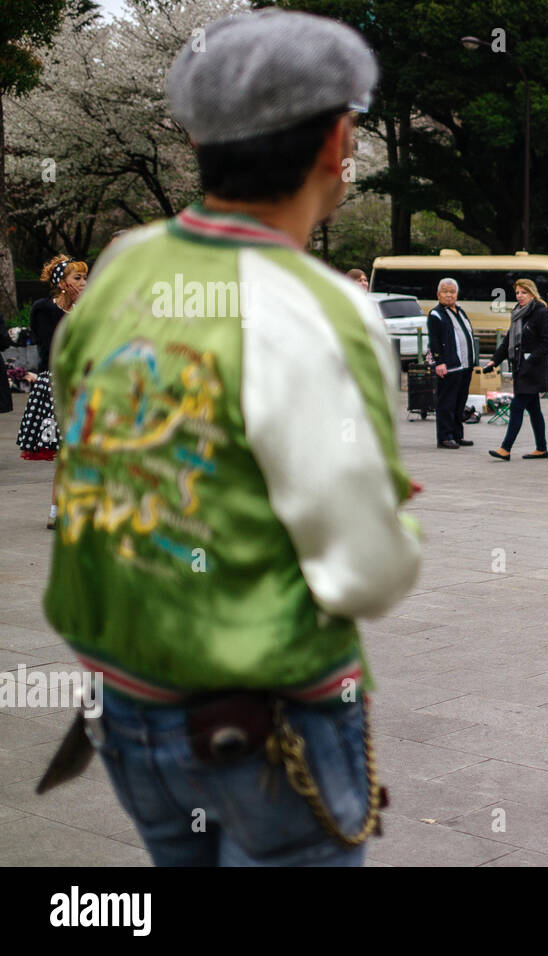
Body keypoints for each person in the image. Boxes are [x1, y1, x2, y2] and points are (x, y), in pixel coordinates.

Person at [42, 8, 421, 866]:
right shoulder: (323, 309)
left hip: (123, 708)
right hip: (264, 723)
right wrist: (390, 514)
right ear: (337, 141)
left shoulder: (122, 266)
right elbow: (365, 572)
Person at [18, 254, 87, 528]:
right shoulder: (43, 309)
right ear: (62, 283)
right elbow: (54, 348)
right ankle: (58, 510)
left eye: (85, 277)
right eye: (77, 277)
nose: (84, 282)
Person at [485, 278, 548, 460]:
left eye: (524, 292)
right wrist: (494, 361)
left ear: (532, 293)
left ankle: (505, 448)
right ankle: (542, 449)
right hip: (520, 368)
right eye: (517, 293)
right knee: (534, 410)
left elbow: (547, 341)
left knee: (517, 407)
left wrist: (530, 360)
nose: (520, 296)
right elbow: (508, 341)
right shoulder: (517, 312)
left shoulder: (540, 312)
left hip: (533, 370)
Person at [427, 277, 477, 449]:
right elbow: (434, 340)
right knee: (446, 402)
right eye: (445, 292)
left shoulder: (460, 311)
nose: (449, 295)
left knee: (459, 402)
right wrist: (439, 362)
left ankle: (457, 434)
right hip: (449, 365)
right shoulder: (436, 314)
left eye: (452, 292)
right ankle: (445, 436)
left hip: (465, 365)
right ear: (438, 294)